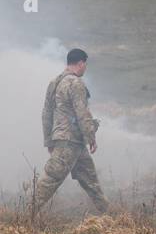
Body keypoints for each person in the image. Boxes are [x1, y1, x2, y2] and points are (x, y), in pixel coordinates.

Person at [32, 47, 108, 216]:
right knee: (50, 180)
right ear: (80, 63)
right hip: (71, 142)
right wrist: (91, 138)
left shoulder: (55, 82)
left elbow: (46, 113)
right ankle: (24, 214)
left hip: (70, 142)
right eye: (85, 64)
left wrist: (49, 141)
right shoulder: (76, 83)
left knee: (91, 181)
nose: (85, 68)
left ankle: (110, 215)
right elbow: (82, 113)